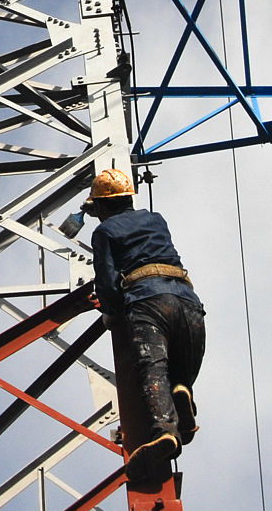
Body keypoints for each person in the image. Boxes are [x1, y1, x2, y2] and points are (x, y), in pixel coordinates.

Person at [83, 168, 205, 479]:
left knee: (152, 367)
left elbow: (107, 282)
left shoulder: (104, 232)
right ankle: (182, 391)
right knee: (179, 363)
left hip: (147, 301)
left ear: (101, 206)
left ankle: (165, 430)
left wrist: (112, 311)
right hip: (187, 299)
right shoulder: (156, 219)